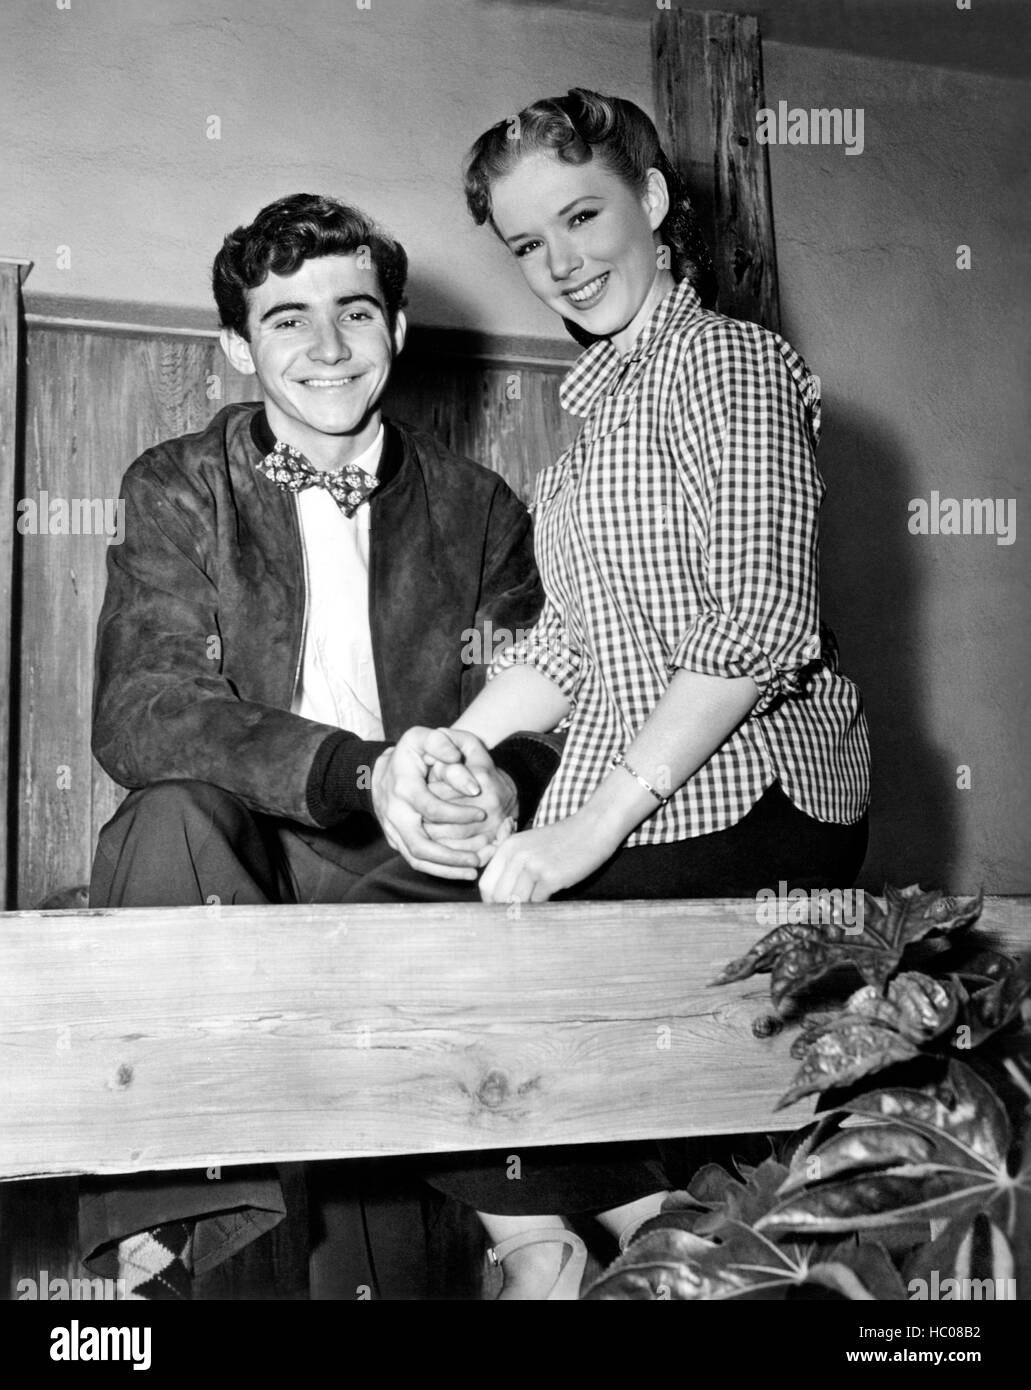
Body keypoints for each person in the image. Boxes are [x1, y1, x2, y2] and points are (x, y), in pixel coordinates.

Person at [346, 88, 871, 1299]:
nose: (561, 264)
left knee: (469, 969)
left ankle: (575, 1246)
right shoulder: (584, 440)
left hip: (760, 795)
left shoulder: (731, 365)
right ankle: (643, 1240)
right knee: (395, 930)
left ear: (649, 199)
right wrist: (455, 741)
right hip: (650, 793)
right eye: (528, 245)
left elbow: (759, 618)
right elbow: (574, 644)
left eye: (582, 217)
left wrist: (586, 826)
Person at [80, 192, 557, 1299]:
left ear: (396, 329)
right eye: (286, 318)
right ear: (236, 346)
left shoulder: (479, 506)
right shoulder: (176, 483)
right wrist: (356, 770)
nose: (327, 345)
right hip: (237, 851)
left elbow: (555, 697)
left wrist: (499, 783)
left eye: (355, 310)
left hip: (412, 872)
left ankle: (536, 1217)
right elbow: (141, 707)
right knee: (170, 816)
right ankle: (181, 1240)